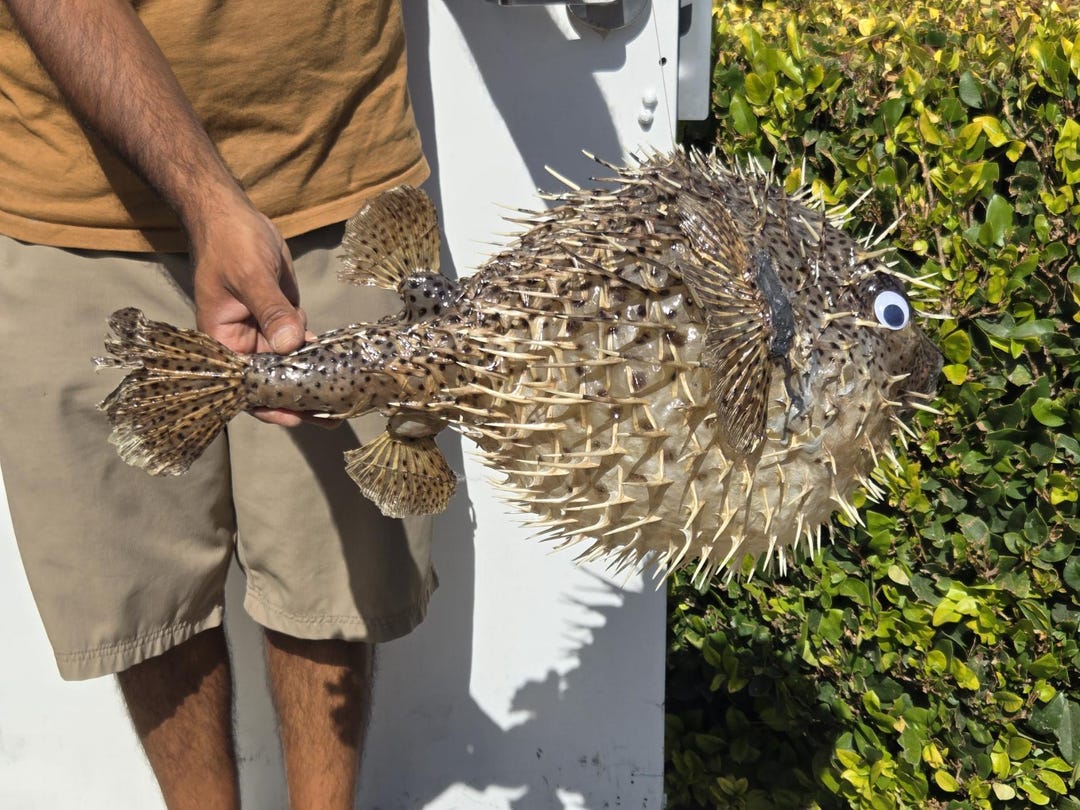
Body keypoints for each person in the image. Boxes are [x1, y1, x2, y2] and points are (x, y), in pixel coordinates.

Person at [0, 1, 435, 807]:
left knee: (331, 579)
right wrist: (208, 200)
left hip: (334, 163)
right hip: (78, 196)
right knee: (143, 592)